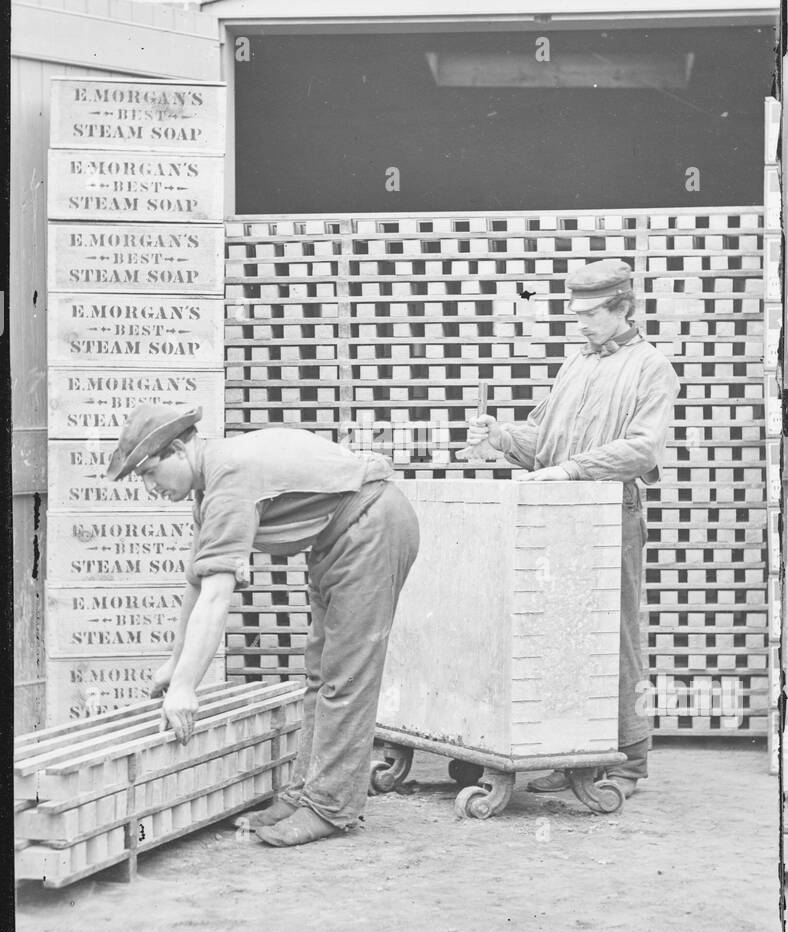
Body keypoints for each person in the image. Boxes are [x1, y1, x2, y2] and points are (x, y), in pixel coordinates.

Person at [105, 406, 420, 847]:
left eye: (151, 473)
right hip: (342, 534)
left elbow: (218, 597)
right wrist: (174, 667)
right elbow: (198, 584)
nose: (150, 487)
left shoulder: (230, 481)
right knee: (321, 674)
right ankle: (303, 795)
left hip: (372, 524)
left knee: (346, 675)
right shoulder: (211, 486)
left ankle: (330, 807)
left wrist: (186, 689)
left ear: (179, 448)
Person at [466, 258, 680, 797]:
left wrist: (572, 468)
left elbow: (642, 448)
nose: (579, 323)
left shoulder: (652, 367)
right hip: (557, 514)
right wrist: (503, 436)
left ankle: (630, 762)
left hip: (611, 513)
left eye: (589, 313)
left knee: (618, 631)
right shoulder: (575, 365)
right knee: (562, 633)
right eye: (575, 313)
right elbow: (544, 438)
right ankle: (575, 754)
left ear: (622, 308)